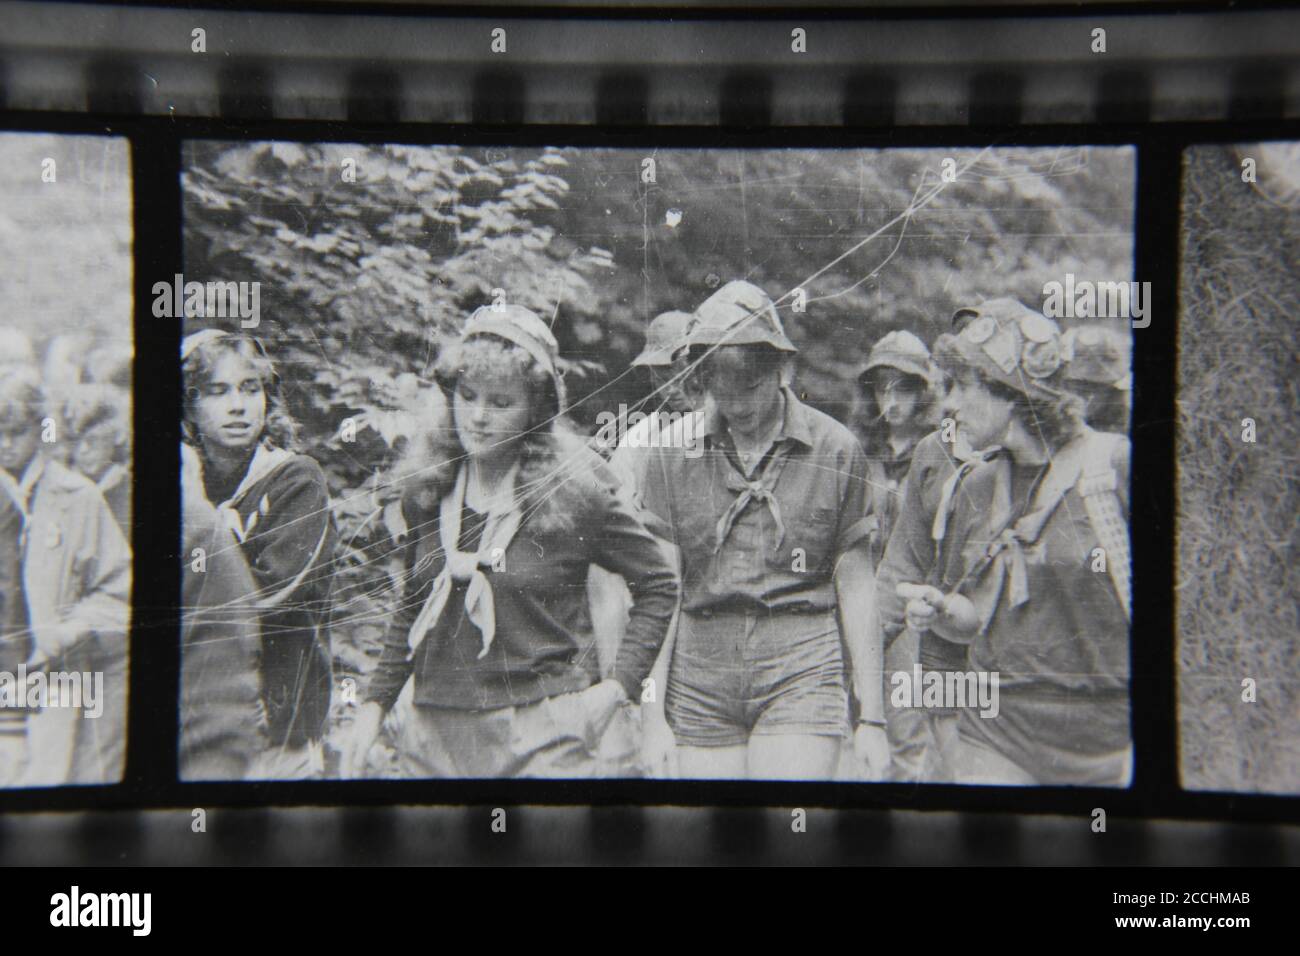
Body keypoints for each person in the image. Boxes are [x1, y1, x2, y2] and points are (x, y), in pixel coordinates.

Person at [339, 305, 679, 779]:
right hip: (434, 735)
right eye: (468, 395)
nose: (478, 417)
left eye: (501, 403)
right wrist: (374, 706)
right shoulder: (430, 489)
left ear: (535, 411)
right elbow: (413, 607)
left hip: (542, 737)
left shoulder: (575, 493)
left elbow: (660, 584)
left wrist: (615, 689)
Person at [639, 280, 889, 780]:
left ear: (782, 369)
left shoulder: (836, 449)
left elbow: (857, 586)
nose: (740, 407)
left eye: (751, 388)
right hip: (700, 668)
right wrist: (651, 719)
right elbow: (660, 590)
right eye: (723, 392)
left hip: (801, 657)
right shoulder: (670, 454)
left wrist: (873, 719)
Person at [924, 306, 1132, 786]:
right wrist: (941, 610)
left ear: (1009, 392)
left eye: (960, 386)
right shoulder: (973, 485)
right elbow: (970, 619)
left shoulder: (1111, 468)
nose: (947, 406)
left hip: (1108, 744)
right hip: (997, 737)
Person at [182, 329, 337, 780]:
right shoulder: (180, 487)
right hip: (194, 724)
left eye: (250, 389)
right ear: (189, 405)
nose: (238, 405)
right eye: (217, 391)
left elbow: (270, 598)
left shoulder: (296, 482)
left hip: (275, 730)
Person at [0, 367, 130, 786]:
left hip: (52, 681)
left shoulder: (78, 498)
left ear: (40, 430)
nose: (4, 445)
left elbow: (117, 591)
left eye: (15, 431)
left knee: (43, 790)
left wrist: (64, 633)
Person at [850, 329, 944, 780]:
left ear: (924, 392)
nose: (891, 398)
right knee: (857, 729)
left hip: (911, 610)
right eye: (881, 385)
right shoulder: (856, 453)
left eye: (904, 386)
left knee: (907, 735)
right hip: (857, 601)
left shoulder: (940, 455)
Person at [63, 385, 131, 534]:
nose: (82, 450)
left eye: (92, 440)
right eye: (75, 441)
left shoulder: (129, 492)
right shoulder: (65, 491)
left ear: (119, 435)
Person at [1061, 324, 1132, 434]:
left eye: (1094, 386)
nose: (1081, 396)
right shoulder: (1057, 415)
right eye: (1075, 385)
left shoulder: (1121, 412)